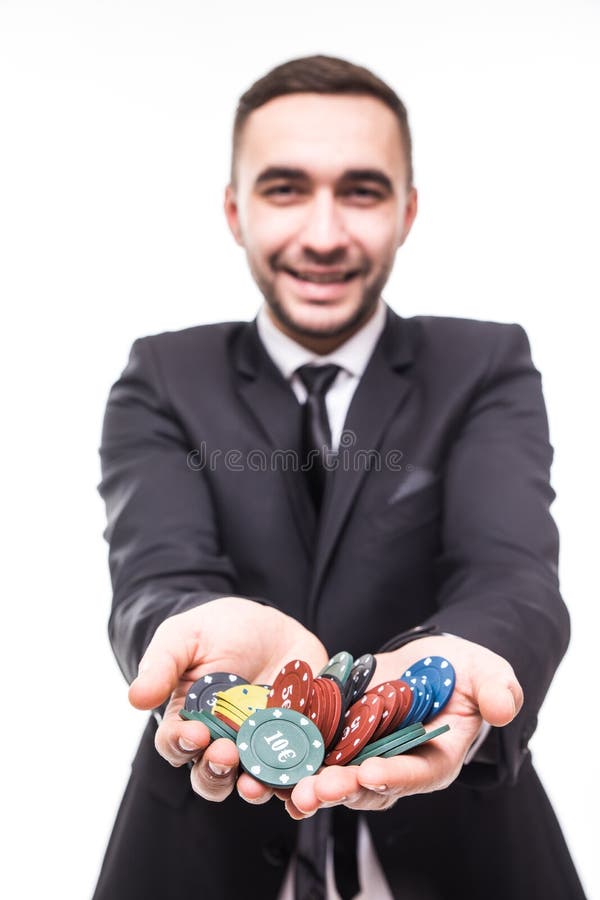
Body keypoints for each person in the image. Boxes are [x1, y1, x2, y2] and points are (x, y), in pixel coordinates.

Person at [93, 55, 587, 900]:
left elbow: (509, 570)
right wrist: (192, 626)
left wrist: (471, 657)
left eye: (361, 190)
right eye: (285, 189)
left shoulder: (485, 364)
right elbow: (157, 573)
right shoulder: (163, 377)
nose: (323, 236)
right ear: (234, 209)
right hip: (200, 842)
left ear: (408, 210)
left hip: (468, 841)